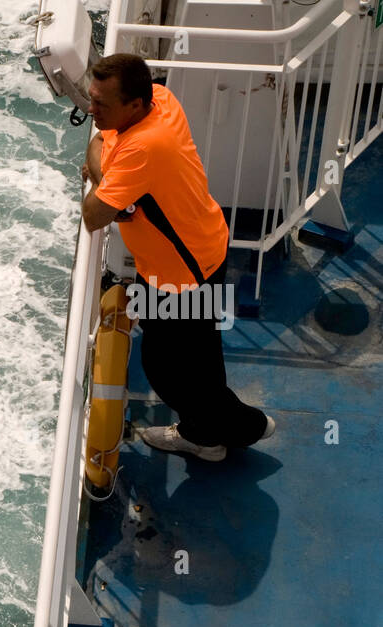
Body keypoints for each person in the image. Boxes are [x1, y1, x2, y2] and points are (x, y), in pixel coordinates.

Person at [80, 53, 273, 461]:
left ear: (134, 104)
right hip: (202, 250)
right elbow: (100, 142)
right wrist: (108, 173)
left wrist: (99, 174)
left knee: (166, 370)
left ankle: (239, 429)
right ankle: (218, 433)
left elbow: (94, 214)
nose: (90, 110)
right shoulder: (161, 100)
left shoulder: (143, 148)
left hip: (179, 275)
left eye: (101, 104)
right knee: (200, 356)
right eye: (91, 98)